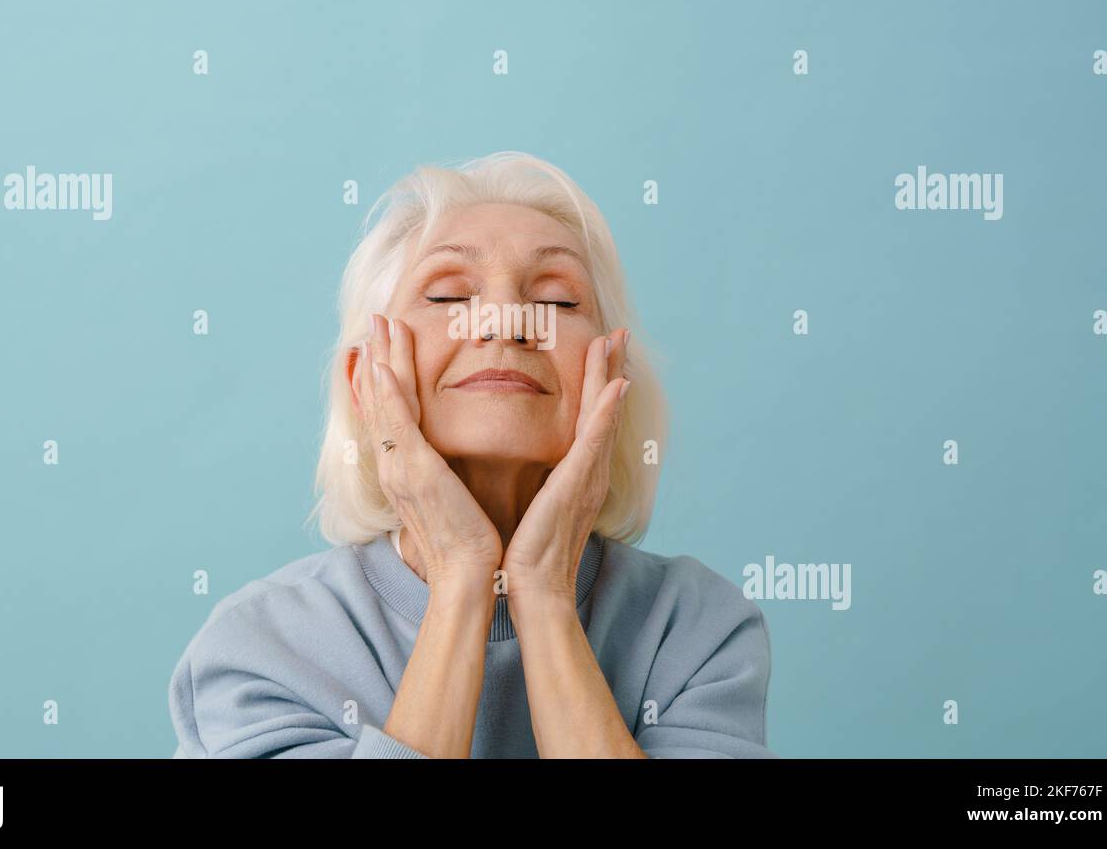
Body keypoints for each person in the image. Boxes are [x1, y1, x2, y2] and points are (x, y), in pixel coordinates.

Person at [168, 151, 774, 758]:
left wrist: (543, 592)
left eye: (558, 302)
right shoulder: (260, 647)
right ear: (367, 379)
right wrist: (462, 576)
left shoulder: (697, 629)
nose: (505, 322)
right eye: (451, 296)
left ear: (613, 376)